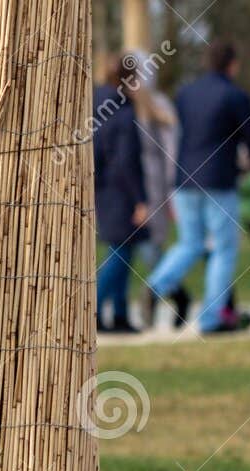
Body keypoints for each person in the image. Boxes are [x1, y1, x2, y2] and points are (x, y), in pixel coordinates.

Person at [146, 41, 250, 335]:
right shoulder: (235, 95)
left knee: (190, 242)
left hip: (185, 178)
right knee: (224, 248)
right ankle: (212, 318)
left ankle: (155, 285)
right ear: (232, 64)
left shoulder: (185, 94)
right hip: (219, 181)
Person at [93, 55, 149, 333]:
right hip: (122, 193)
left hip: (102, 188)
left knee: (122, 251)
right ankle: (96, 308)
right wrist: (139, 200)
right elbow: (127, 161)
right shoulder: (124, 114)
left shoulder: (97, 103)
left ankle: (120, 313)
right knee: (120, 254)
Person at [128, 54, 181, 329]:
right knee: (147, 247)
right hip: (135, 187)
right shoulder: (125, 105)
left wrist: (172, 189)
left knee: (153, 246)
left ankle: (158, 293)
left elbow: (171, 152)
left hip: (156, 188)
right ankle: (175, 293)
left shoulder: (158, 106)